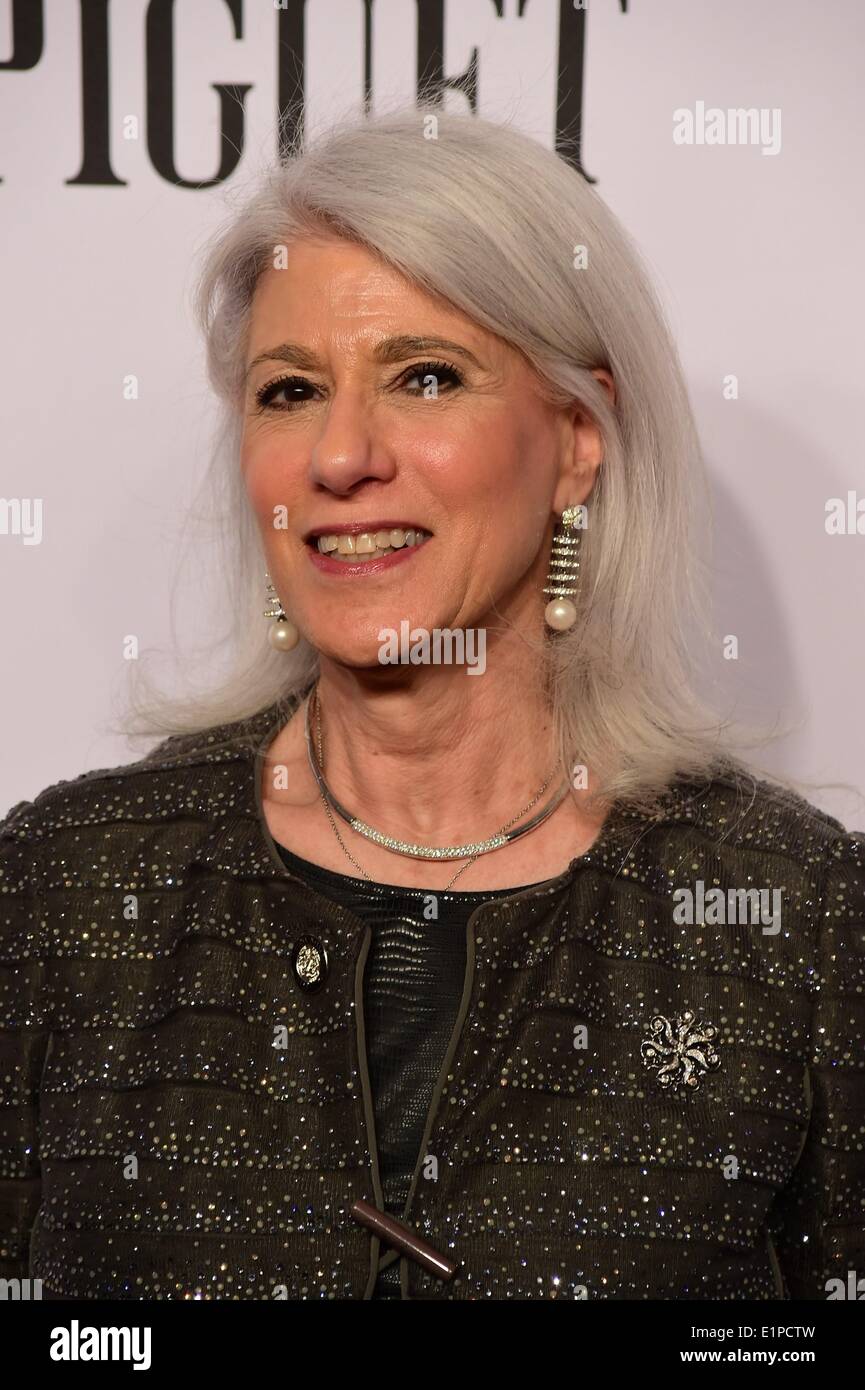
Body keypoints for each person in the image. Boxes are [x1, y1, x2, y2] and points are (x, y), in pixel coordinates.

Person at [1, 104, 862, 1301]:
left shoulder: (790, 914)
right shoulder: (63, 889)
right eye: (290, 390)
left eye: (424, 376)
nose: (341, 456)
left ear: (575, 438)